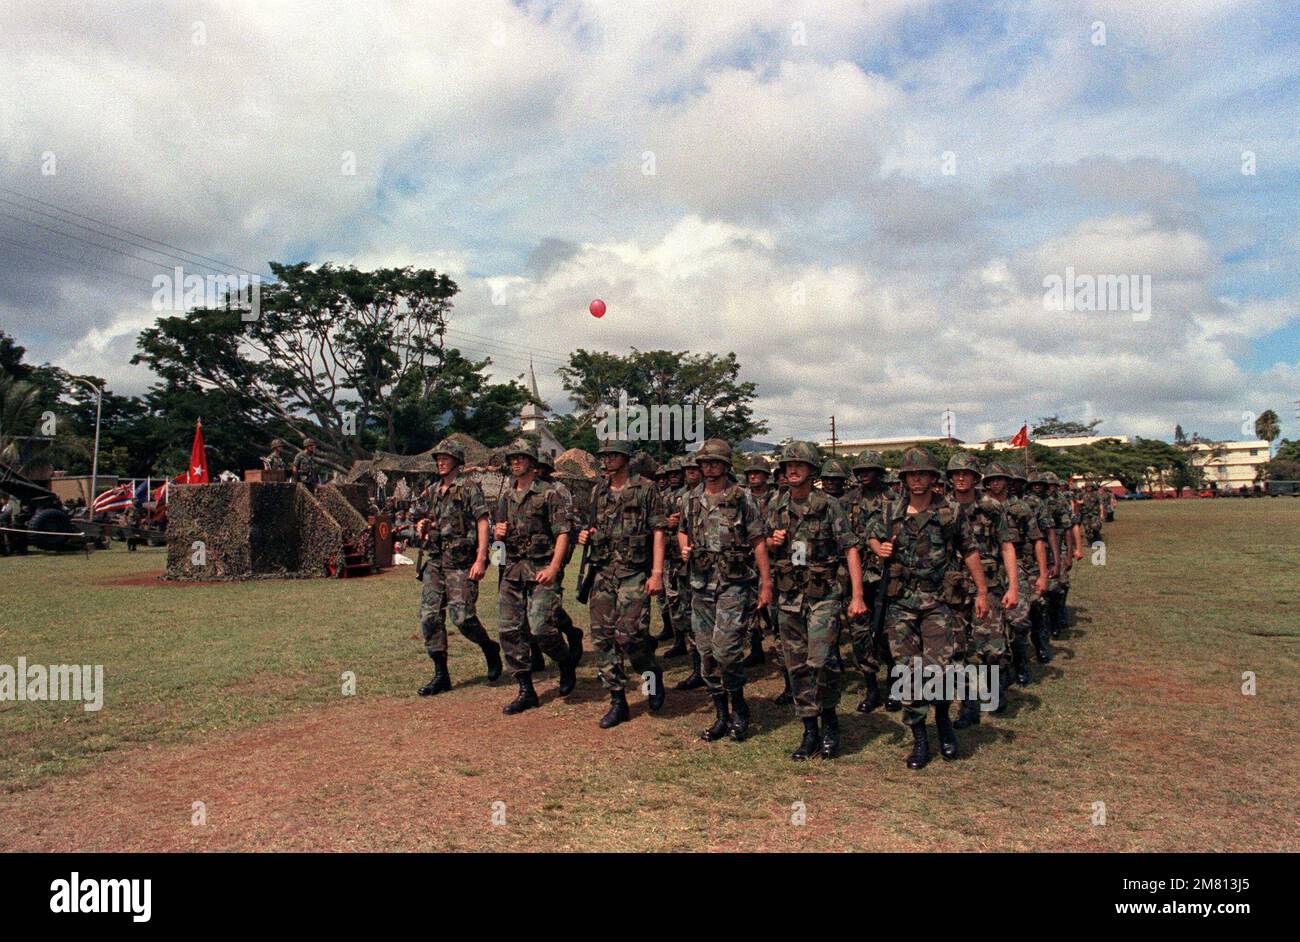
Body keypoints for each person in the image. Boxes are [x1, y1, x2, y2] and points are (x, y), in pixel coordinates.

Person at [868, 447, 989, 769]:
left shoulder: (950, 512)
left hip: (939, 602)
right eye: (911, 474)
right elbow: (870, 537)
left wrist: (982, 591)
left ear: (933, 478)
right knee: (908, 671)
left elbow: (969, 550)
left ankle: (944, 723)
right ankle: (920, 737)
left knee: (940, 667)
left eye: (922, 474)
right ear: (904, 479)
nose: (916, 480)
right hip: (901, 603)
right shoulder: (890, 511)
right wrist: (878, 547)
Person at [766, 442, 866, 759]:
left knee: (821, 660)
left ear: (811, 470)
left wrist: (857, 595)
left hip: (824, 595)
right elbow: (763, 547)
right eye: (787, 466)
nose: (791, 470)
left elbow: (849, 547)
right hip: (788, 595)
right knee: (795, 665)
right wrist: (772, 541)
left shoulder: (828, 505)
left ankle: (830, 721)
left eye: (798, 465)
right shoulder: (776, 505)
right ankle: (810, 729)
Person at [678, 438, 772, 742]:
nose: (708, 468)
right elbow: (681, 529)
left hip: (734, 584)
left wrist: (766, 583)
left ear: (726, 466)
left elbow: (758, 541)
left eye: (714, 463)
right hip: (701, 584)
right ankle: (721, 714)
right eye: (704, 463)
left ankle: (740, 706)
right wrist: (683, 548)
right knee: (705, 652)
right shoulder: (690, 499)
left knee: (727, 651)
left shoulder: (743, 498)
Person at [576, 439, 667, 728]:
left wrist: (656, 573)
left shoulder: (646, 489)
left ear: (626, 459)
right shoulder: (598, 491)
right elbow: (593, 526)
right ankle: (617, 700)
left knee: (631, 636)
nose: (608, 461)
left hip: (635, 573)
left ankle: (651, 676)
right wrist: (586, 535)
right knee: (603, 637)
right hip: (604, 572)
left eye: (614, 456)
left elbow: (658, 531)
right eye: (604, 456)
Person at [413, 439, 502, 695]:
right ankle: (441, 675)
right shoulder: (433, 491)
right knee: (430, 618)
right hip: (436, 561)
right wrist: (424, 525)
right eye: (438, 458)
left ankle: (489, 647)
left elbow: (483, 521)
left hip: (461, 563)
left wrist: (481, 558)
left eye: (446, 458)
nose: (440, 461)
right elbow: (430, 518)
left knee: (462, 618)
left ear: (457, 462)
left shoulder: (469, 488)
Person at [494, 442, 578, 714]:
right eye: (512, 458)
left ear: (532, 462)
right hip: (514, 571)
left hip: (542, 568)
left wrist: (555, 568)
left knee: (541, 628)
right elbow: (499, 538)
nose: (516, 462)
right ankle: (525, 689)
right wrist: (498, 539)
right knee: (509, 630)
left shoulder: (549, 493)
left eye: (521, 458)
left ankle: (565, 661)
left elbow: (563, 532)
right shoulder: (506, 497)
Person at [944, 453, 1017, 728]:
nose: (961, 478)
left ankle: (996, 690)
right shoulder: (943, 509)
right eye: (956, 473)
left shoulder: (992, 508)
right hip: (954, 588)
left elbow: (1007, 546)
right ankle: (969, 706)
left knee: (992, 647)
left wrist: (1013, 585)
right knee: (959, 649)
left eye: (967, 473)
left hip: (990, 586)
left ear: (976, 478)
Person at [845, 450, 897, 712]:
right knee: (859, 634)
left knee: (890, 635)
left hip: (887, 576)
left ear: (879, 472)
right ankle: (871, 688)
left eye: (869, 470)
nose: (864, 475)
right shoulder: (847, 502)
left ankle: (894, 686)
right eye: (860, 471)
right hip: (855, 577)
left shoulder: (895, 501)